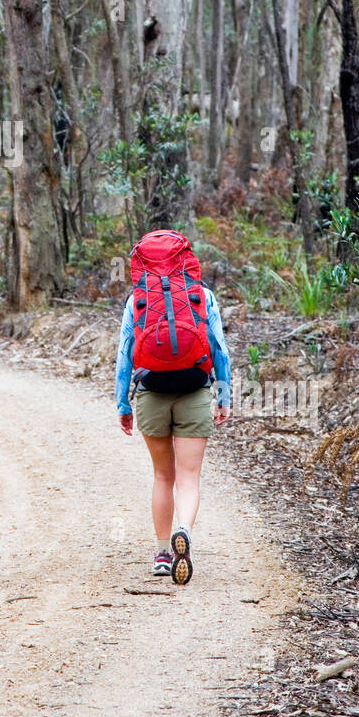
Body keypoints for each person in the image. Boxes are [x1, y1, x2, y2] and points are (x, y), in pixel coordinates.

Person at [114, 231, 231, 585]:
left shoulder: (137, 299)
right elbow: (220, 350)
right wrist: (223, 397)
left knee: (163, 476)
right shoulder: (201, 296)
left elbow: (124, 356)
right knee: (189, 476)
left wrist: (123, 402)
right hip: (195, 389)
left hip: (151, 392)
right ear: (185, 258)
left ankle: (164, 553)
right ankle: (186, 532)